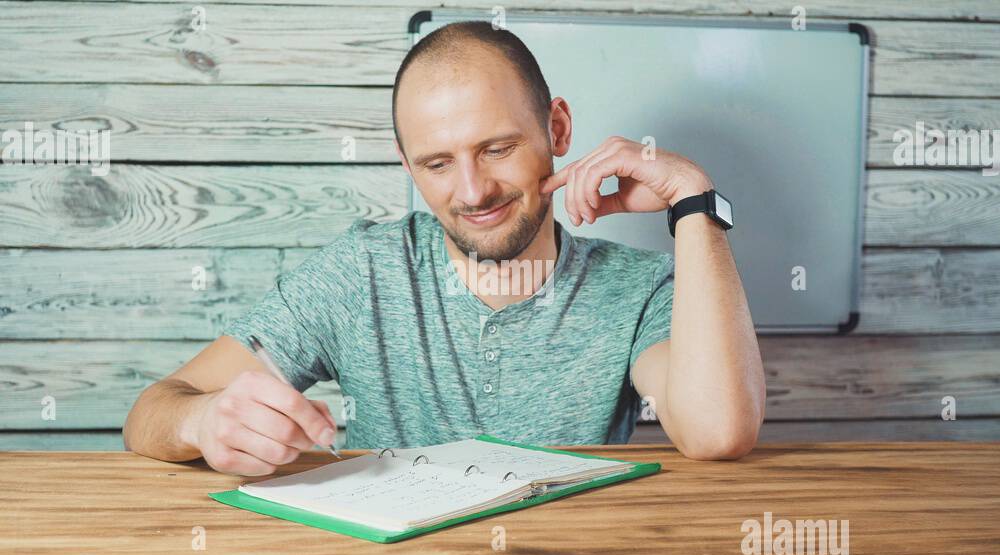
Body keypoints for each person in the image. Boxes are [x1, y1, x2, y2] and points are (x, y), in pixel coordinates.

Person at [124, 21, 765, 476]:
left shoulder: (637, 288)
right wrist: (203, 422)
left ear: (557, 129)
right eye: (437, 163)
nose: (473, 190)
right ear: (407, 165)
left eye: (497, 148)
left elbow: (720, 432)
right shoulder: (359, 275)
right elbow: (153, 410)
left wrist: (693, 200)